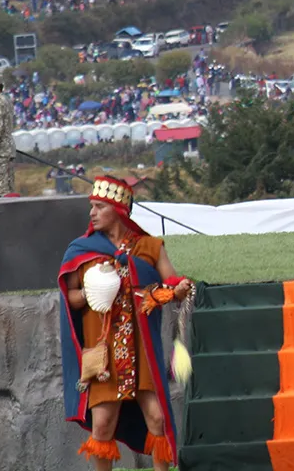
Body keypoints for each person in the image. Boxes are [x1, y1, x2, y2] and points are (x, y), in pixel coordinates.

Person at [59, 176, 193, 470]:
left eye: (98, 207)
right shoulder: (81, 251)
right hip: (104, 353)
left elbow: (169, 279)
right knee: (103, 425)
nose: (91, 213)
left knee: (157, 418)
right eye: (91, 207)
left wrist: (179, 287)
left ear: (118, 210)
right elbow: (69, 297)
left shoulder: (149, 246)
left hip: (141, 350)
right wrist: (89, 292)